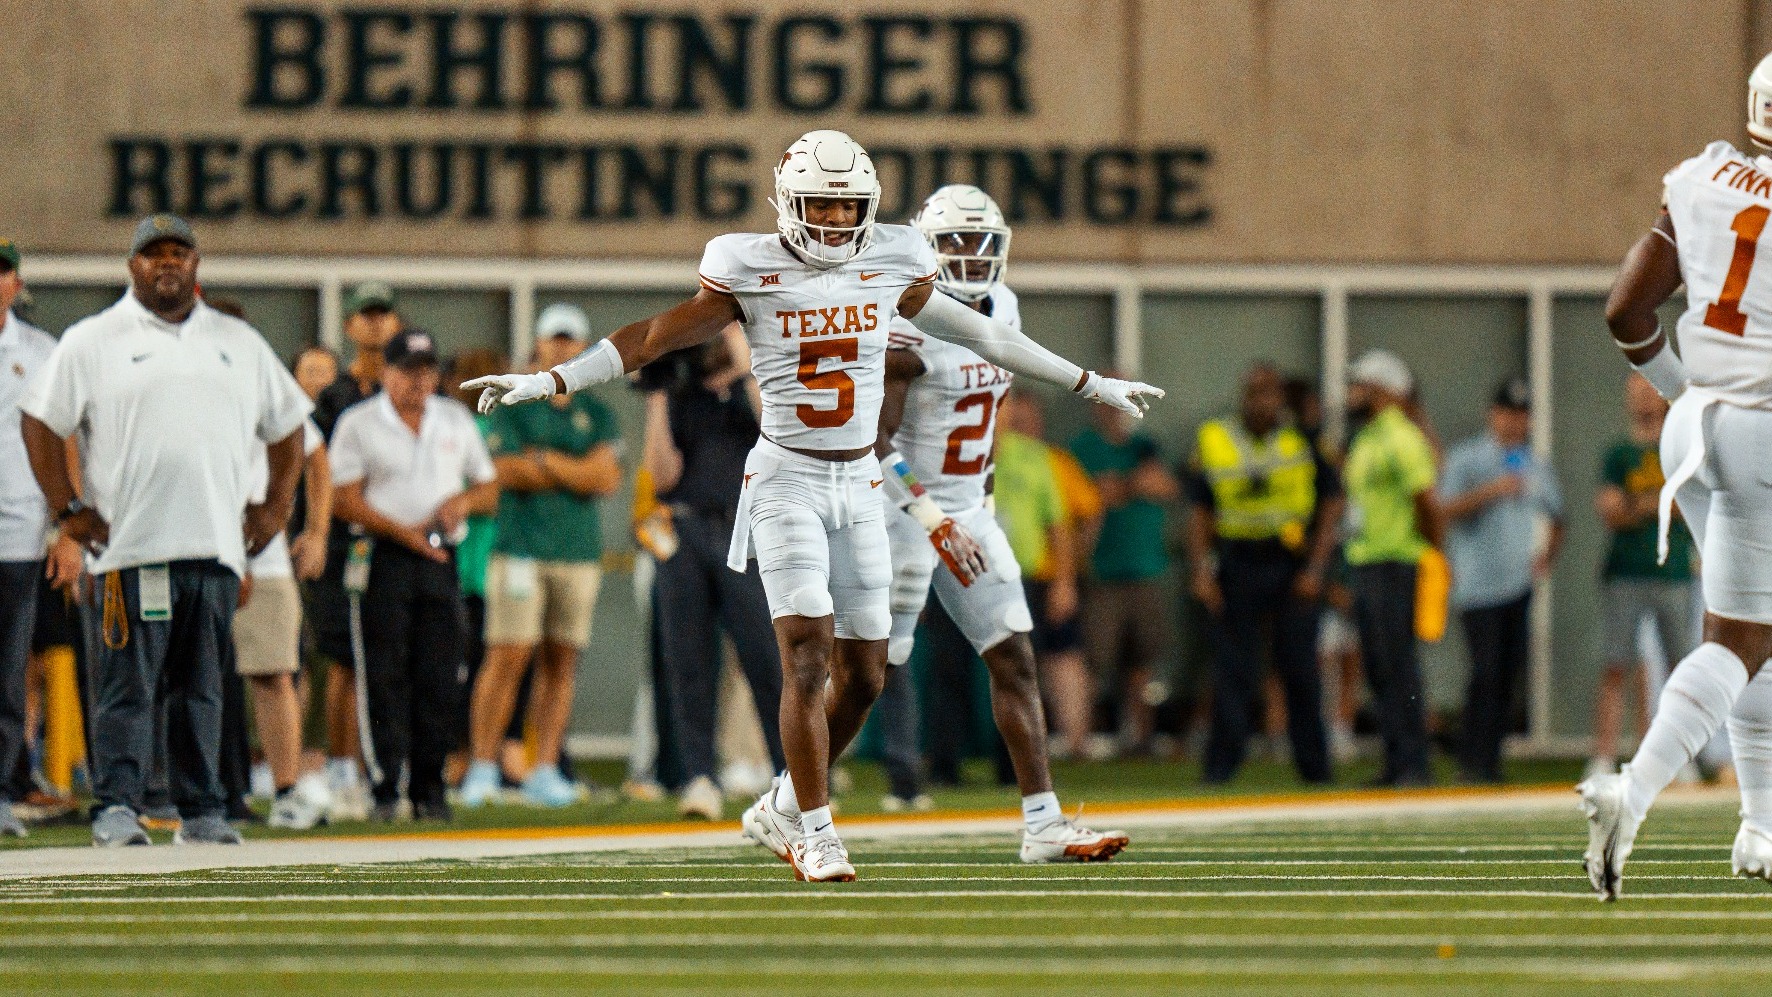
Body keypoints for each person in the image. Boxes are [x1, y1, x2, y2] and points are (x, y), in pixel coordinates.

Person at [465, 129, 1160, 882]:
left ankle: (784, 805)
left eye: (846, 205)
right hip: (787, 479)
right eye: (819, 204)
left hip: (860, 485)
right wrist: (552, 379)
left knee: (864, 677)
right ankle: (818, 831)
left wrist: (1088, 382)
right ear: (787, 204)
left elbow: (984, 332)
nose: (833, 220)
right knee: (806, 656)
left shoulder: (893, 257)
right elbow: (653, 337)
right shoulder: (748, 264)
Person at [19, 214, 310, 846]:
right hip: (131, 550)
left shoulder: (236, 340)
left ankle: (202, 809)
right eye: (154, 255)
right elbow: (41, 422)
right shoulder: (93, 339)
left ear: (197, 265)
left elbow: (289, 427)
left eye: (179, 253)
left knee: (204, 691)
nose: (167, 263)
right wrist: (67, 509)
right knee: (128, 688)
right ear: (132, 268)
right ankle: (116, 807)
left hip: (213, 547)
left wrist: (274, 508)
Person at [874, 184, 1127, 860]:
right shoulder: (905, 320)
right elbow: (875, 441)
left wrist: (974, 499)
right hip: (901, 511)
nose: (972, 254)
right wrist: (931, 517)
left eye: (982, 241)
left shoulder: (1003, 304)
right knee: (870, 669)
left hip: (967, 511)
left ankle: (1042, 821)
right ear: (927, 248)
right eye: (955, 240)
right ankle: (789, 798)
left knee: (1014, 652)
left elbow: (992, 409)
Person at [1581, 53, 1772, 898]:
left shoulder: (1704, 177)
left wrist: (1682, 391)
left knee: (1747, 630)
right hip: (1766, 433)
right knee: (1737, 643)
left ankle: (1760, 825)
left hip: (1697, 433)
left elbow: (1627, 308)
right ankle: (1638, 785)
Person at [330, 330, 497, 822]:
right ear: (387, 371)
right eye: (408, 370)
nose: (418, 381)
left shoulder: (454, 417)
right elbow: (342, 497)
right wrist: (403, 533)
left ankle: (430, 785)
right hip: (383, 556)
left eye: (426, 371)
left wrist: (459, 502)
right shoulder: (360, 423)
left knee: (440, 675)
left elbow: (487, 486)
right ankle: (386, 784)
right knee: (384, 674)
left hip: (441, 558)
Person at [459, 305, 620, 809]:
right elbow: (505, 470)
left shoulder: (598, 411)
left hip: (577, 552)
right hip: (520, 549)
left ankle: (544, 768)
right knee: (507, 657)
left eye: (572, 341)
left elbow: (607, 479)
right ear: (538, 345)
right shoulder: (513, 401)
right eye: (555, 340)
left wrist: (546, 461)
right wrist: (576, 469)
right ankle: (483, 766)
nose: (563, 349)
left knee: (561, 662)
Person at [639, 325, 788, 821]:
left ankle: (793, 776)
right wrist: (656, 398)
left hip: (743, 533)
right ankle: (699, 775)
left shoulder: (756, 389)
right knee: (689, 662)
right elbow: (662, 476)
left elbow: (778, 433)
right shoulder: (682, 395)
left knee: (765, 658)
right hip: (685, 532)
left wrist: (747, 364)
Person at [1187, 362, 1343, 785]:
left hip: (1291, 564)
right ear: (1243, 396)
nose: (1262, 402)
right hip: (1237, 563)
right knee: (1233, 670)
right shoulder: (1215, 438)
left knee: (1300, 670)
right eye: (1255, 393)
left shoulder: (1305, 440)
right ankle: (1221, 769)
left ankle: (1316, 770)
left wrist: (1316, 567)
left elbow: (1332, 503)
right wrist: (1201, 570)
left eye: (1270, 393)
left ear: (1281, 398)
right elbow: (1199, 511)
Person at [1437, 378, 1566, 783]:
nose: (1515, 423)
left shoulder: (1534, 463)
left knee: (1507, 677)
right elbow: (1444, 510)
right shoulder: (1467, 459)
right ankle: (1469, 761)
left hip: (1517, 585)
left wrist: (1545, 558)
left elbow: (1557, 513)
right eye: (1509, 413)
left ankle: (1490, 763)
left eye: (1523, 415)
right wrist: (1490, 491)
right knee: (1484, 673)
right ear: (1493, 414)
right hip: (1477, 586)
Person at [309, 282, 402, 819]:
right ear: (350, 326)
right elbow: (320, 473)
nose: (374, 324)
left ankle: (383, 768)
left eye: (382, 314)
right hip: (349, 541)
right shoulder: (336, 397)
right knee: (345, 660)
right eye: (365, 315)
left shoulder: (404, 394)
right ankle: (343, 767)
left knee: (388, 660)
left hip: (396, 543)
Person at [1341, 349, 1443, 788]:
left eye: (1361, 385)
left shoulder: (1401, 436)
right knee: (1380, 665)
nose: (1352, 394)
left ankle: (1413, 763)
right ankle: (1395, 758)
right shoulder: (1366, 437)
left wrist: (1429, 553)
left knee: (1399, 664)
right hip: (1367, 561)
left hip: (1396, 561)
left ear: (1383, 390)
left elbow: (1426, 502)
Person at [1589, 373, 1696, 778]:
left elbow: (1687, 505)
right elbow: (1610, 510)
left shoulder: (1680, 448)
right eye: (1635, 392)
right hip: (1625, 573)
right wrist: (1656, 503)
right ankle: (1603, 755)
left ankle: (1678, 757)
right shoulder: (1619, 454)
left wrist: (1638, 504)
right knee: (1616, 663)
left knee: (1678, 668)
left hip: (1672, 573)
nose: (1643, 400)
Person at [1070, 382, 1181, 755]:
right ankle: (1080, 740)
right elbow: (1084, 496)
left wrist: (1127, 485)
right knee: (1094, 657)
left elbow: (1166, 486)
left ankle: (1143, 738)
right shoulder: (1082, 449)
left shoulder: (1144, 446)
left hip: (1146, 568)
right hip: (1102, 569)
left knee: (1144, 659)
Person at [0, 237, 55, 838]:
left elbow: (68, 438)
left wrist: (67, 523)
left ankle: (2, 791)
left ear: (16, 283)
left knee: (9, 673)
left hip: (18, 530)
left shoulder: (42, 352)